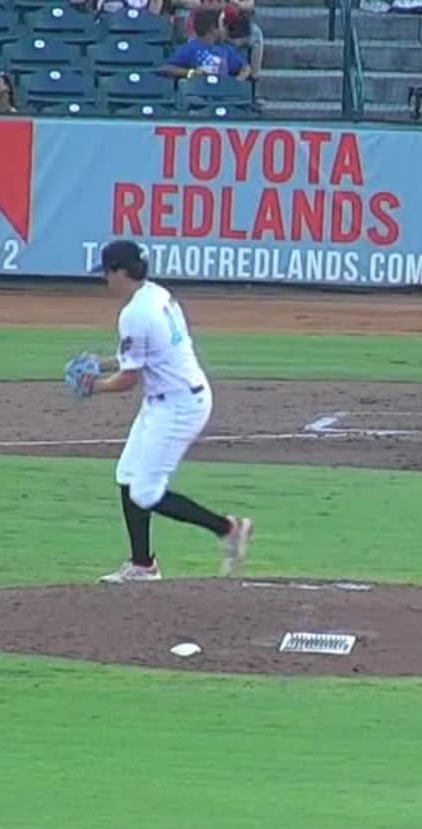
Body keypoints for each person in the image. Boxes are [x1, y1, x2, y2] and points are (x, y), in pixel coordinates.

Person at [74, 240, 254, 584]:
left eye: (107, 272)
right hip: (168, 400)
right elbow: (142, 355)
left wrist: (93, 386)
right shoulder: (156, 295)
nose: (105, 280)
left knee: (145, 492)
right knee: (128, 474)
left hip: (180, 406)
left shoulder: (135, 313)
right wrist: (101, 364)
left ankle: (228, 528)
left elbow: (129, 379)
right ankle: (143, 565)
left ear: (120, 272)